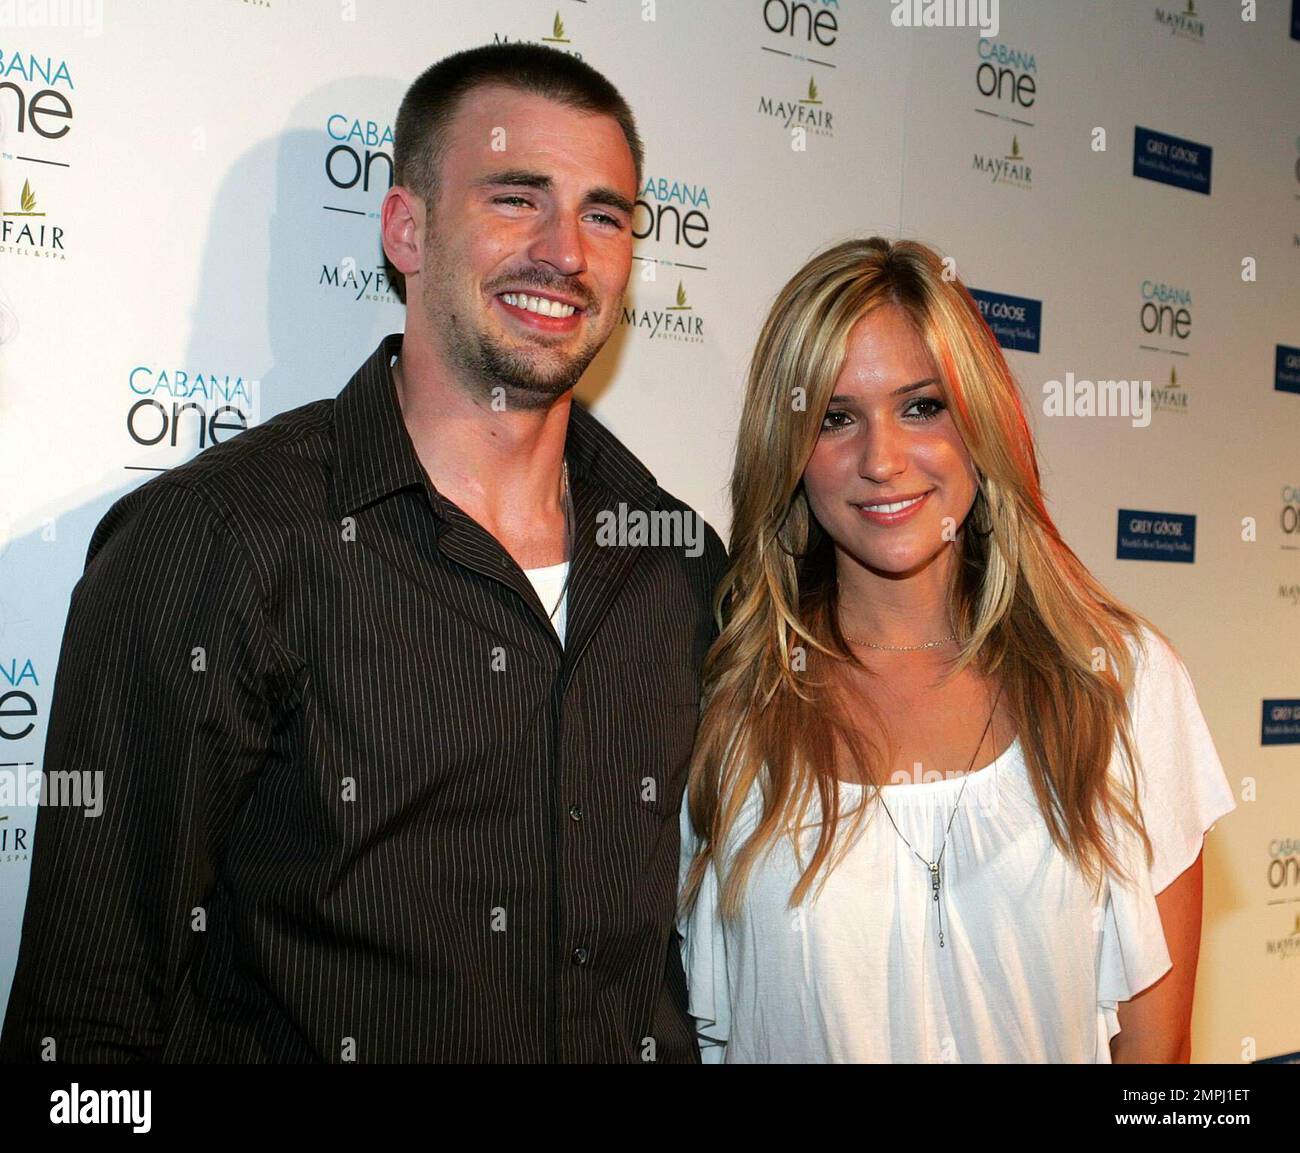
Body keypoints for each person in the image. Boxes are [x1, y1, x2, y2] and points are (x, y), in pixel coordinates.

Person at [1, 43, 725, 1063]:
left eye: (604, 214)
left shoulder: (681, 566)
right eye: (517, 199)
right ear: (406, 228)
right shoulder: (216, 543)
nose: (566, 250)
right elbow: (85, 1024)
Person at [677, 236, 1235, 1064]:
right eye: (835, 418)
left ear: (979, 421)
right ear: (787, 449)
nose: (882, 460)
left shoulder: (1120, 683)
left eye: (921, 406)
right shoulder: (729, 705)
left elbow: (1159, 1066)